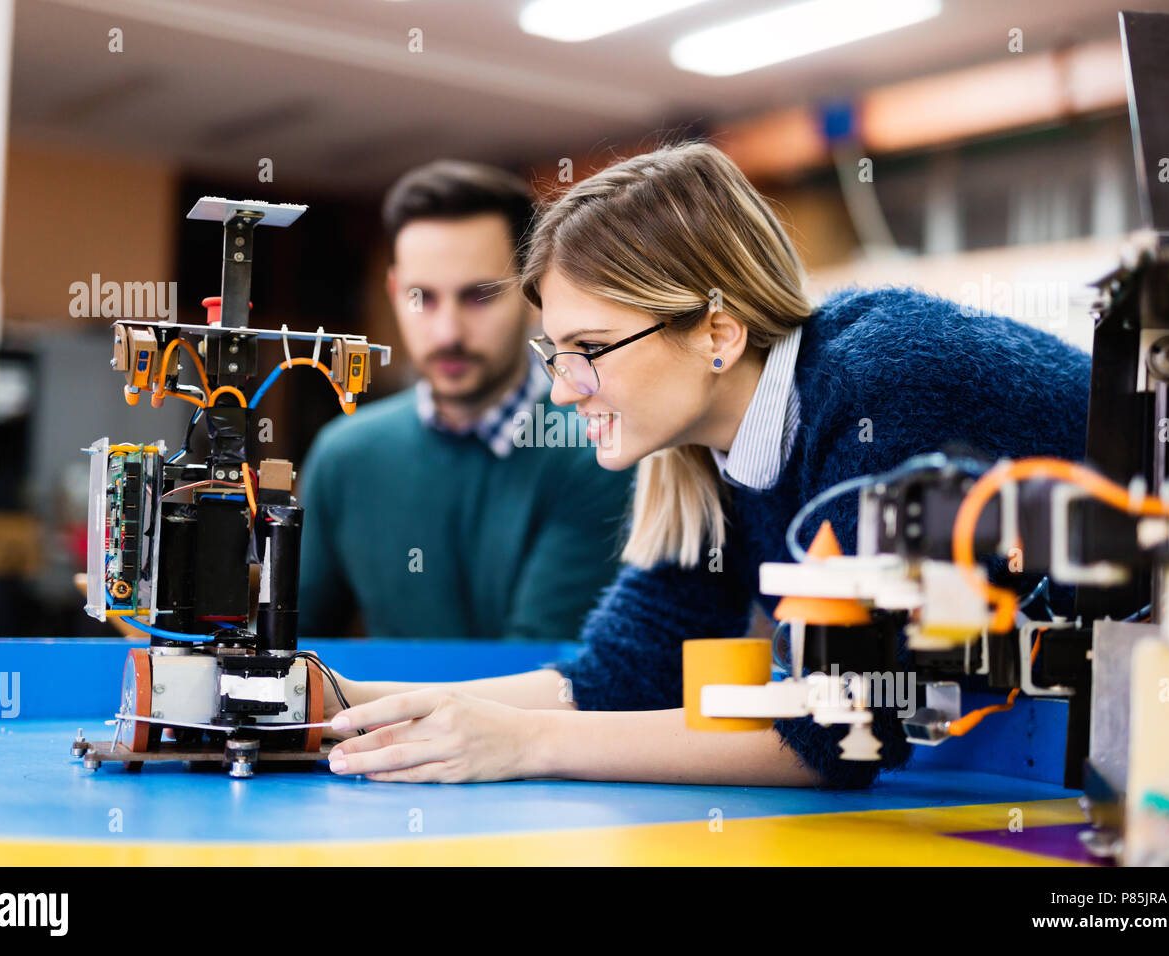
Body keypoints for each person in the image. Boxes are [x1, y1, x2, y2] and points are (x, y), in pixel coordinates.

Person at [311, 141, 1092, 789]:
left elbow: (835, 731)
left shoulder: (879, 386)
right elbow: (623, 673)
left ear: (717, 334)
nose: (563, 389)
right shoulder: (706, 452)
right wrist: (346, 701)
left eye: (589, 351)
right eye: (555, 353)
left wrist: (525, 742)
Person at [297, 160, 632, 639]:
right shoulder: (344, 455)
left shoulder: (597, 450)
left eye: (478, 296)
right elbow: (295, 648)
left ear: (533, 293)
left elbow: (542, 668)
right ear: (394, 292)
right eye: (422, 298)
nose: (447, 332)